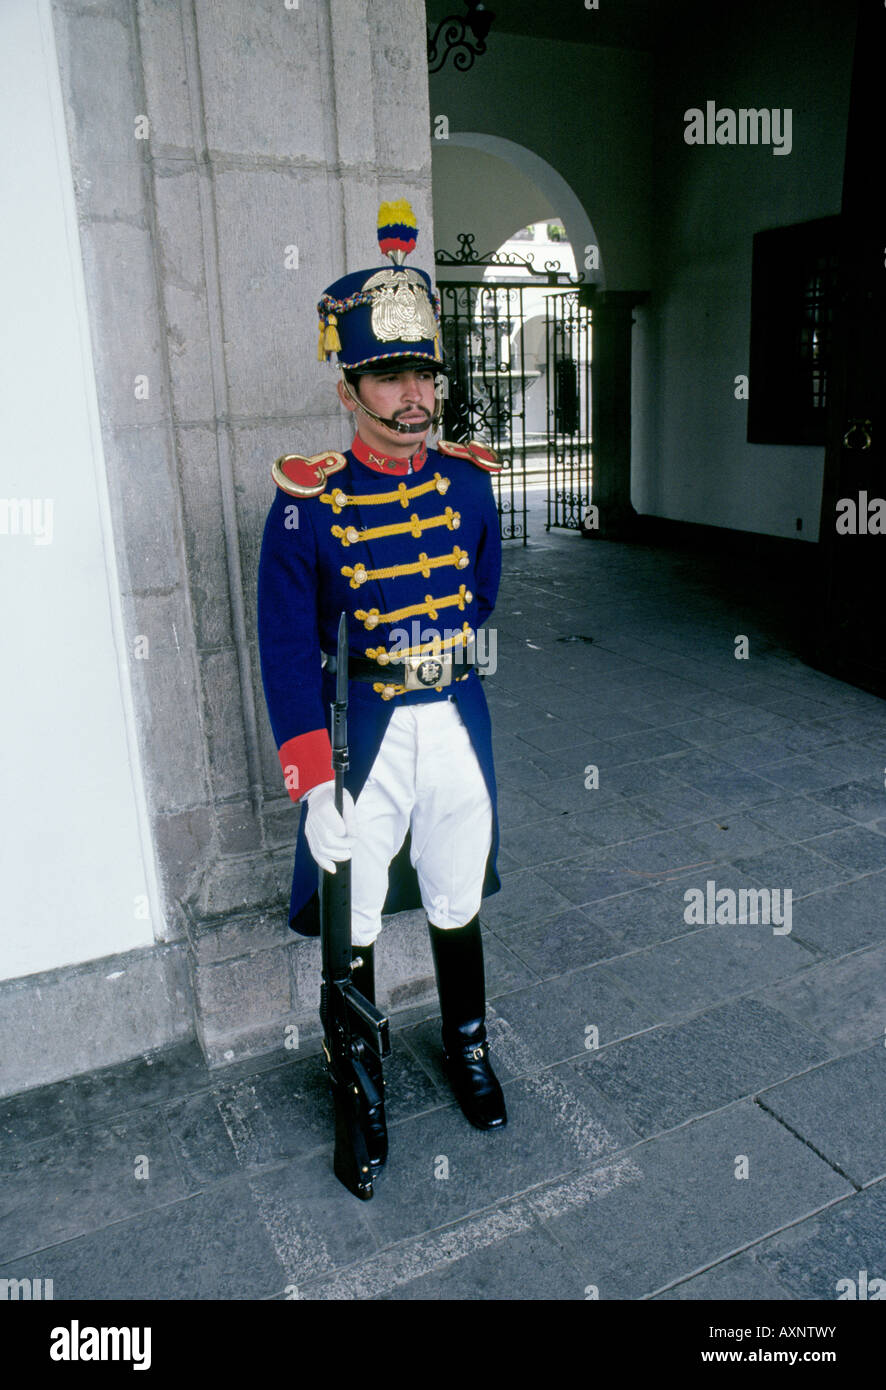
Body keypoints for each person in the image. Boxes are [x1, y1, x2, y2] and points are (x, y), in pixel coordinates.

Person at [256, 199, 507, 1168]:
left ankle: (468, 1047)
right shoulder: (307, 502)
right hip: (363, 726)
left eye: (422, 374)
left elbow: (477, 595)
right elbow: (285, 645)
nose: (412, 397)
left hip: (453, 719)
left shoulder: (472, 484)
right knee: (354, 913)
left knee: (454, 893)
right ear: (348, 384)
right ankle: (359, 1085)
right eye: (389, 375)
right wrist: (313, 781)